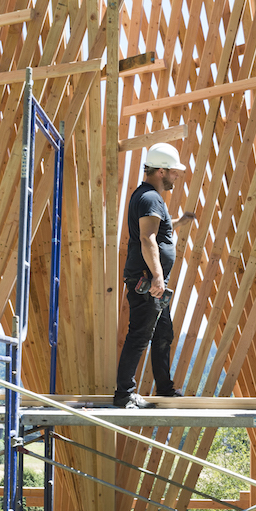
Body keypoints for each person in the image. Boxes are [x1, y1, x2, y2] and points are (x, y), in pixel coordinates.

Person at [113, 142, 196, 408]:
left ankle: (165, 388)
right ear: (161, 171)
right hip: (149, 282)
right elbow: (148, 238)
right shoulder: (149, 198)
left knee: (163, 334)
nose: (176, 176)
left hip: (152, 283)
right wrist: (158, 278)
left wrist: (179, 222)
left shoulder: (148, 197)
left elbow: (157, 232)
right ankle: (124, 394)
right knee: (140, 334)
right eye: (173, 172)